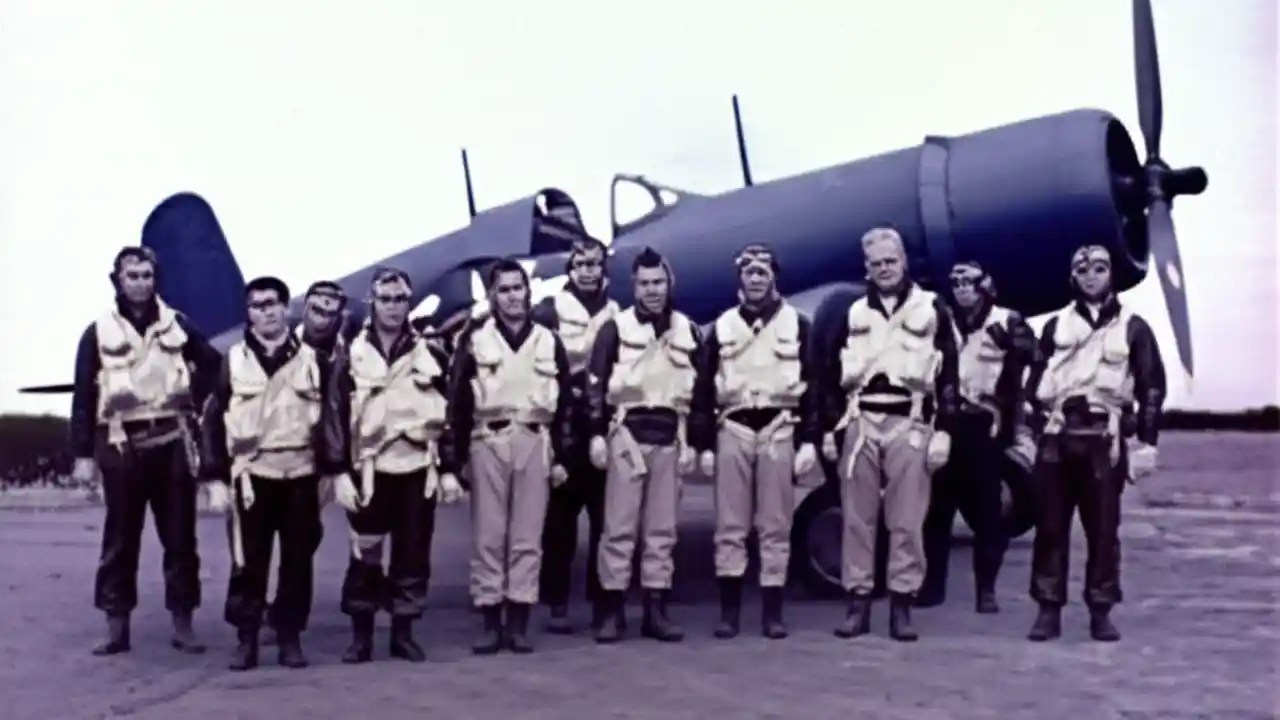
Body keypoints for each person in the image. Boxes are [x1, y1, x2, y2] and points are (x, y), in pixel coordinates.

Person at [69, 246, 221, 657]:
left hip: (172, 440)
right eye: (132, 275)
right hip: (120, 443)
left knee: (180, 539)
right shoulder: (97, 332)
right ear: (116, 279)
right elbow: (83, 392)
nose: (140, 283)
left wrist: (196, 401)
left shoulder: (179, 325)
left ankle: (183, 625)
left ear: (157, 279)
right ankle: (116, 627)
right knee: (120, 539)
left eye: (146, 275)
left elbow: (214, 365)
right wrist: (83, 454)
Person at [199, 276, 348, 670]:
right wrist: (213, 476)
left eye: (273, 303)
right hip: (252, 474)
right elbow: (213, 420)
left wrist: (336, 470)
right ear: (248, 313)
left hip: (300, 473)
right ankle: (246, 638)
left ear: (287, 309)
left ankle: (289, 637)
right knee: (249, 561)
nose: (266, 311)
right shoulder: (231, 361)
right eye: (257, 305)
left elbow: (332, 418)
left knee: (298, 561)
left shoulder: (314, 361)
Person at [1023, 244, 1165, 642]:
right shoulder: (1054, 327)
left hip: (1104, 440)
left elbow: (1152, 386)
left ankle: (1101, 609)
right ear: (1073, 276)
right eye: (1082, 269)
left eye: (1100, 268)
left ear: (1111, 274)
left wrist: (1147, 444)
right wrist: (1037, 431)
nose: (1091, 276)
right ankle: (1048, 608)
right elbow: (1032, 386)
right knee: (1050, 528)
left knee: (1103, 531)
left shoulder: (1134, 327)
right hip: (1057, 438)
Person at [823, 226, 958, 642]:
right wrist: (829, 429)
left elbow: (950, 374)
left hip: (910, 421)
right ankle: (857, 604)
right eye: (876, 263)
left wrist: (945, 432)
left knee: (907, 520)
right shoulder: (851, 312)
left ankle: (902, 606)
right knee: (857, 521)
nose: (884, 269)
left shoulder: (932, 308)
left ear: (904, 260)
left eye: (891, 261)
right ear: (867, 267)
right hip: (861, 421)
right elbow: (829, 372)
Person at [333, 268, 463, 663]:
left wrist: (450, 469)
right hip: (370, 471)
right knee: (365, 554)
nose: (393, 306)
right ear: (373, 302)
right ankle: (362, 635)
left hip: (416, 470)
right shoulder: (349, 355)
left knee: (412, 554)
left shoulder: (431, 353)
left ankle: (403, 632)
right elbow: (334, 415)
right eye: (385, 298)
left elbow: (449, 415)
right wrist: (338, 470)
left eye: (400, 298)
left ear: (409, 302)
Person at [691, 243, 820, 639]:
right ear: (740, 278)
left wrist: (810, 441)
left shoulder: (799, 325)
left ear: (774, 276)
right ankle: (729, 612)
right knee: (730, 525)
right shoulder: (722, 326)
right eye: (749, 271)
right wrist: (705, 446)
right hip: (733, 427)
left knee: (774, 524)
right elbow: (703, 390)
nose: (756, 278)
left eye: (763, 271)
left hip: (780, 427)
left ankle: (772, 612)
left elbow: (815, 387)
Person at [447, 258, 573, 655]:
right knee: (489, 535)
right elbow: (457, 404)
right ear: (491, 296)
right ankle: (489, 619)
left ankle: (518, 620)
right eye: (504, 289)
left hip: (536, 438)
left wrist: (562, 457)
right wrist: (453, 463)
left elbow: (566, 404)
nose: (513, 296)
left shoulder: (549, 340)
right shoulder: (475, 341)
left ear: (528, 291)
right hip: (489, 439)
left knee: (527, 535)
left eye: (518, 287)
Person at [587, 247, 702, 644]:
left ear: (670, 283)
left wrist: (697, 444)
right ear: (633, 286)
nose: (652, 290)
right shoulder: (614, 330)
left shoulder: (688, 330)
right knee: (618, 530)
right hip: (626, 436)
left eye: (659, 282)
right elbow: (596, 385)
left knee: (662, 531)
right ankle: (612, 612)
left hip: (670, 435)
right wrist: (596, 434)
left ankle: (656, 610)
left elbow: (700, 393)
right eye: (645, 283)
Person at [918, 261, 1037, 613]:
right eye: (955, 282)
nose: (962, 289)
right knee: (936, 511)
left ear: (984, 285)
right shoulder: (942, 321)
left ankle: (986, 589)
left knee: (988, 514)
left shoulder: (1007, 321)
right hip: (947, 422)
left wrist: (1018, 418)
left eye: (969, 282)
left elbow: (1037, 363)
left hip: (987, 427)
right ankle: (933, 586)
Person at [529, 236, 619, 634]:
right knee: (559, 525)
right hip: (564, 423)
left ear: (603, 268)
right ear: (570, 268)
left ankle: (602, 602)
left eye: (594, 263)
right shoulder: (549, 311)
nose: (587, 270)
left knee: (606, 521)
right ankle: (557, 603)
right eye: (580, 263)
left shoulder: (618, 314)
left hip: (603, 424)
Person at [259, 280, 349, 647]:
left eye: (330, 312)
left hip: (322, 461)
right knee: (258, 541)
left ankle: (288, 616)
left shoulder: (346, 354)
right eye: (316, 310)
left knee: (304, 538)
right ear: (304, 310)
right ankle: (259, 613)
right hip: (275, 457)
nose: (322, 319)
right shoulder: (282, 349)